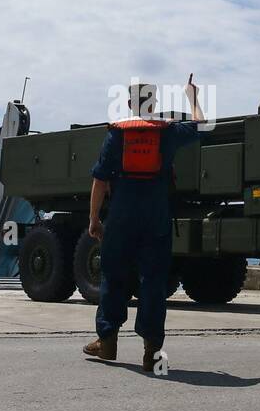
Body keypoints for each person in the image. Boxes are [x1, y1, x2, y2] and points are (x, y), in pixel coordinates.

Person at [83, 76, 205, 371]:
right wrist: (192, 97)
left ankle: (108, 341)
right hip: (155, 218)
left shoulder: (116, 134)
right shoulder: (168, 132)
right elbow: (202, 126)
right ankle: (151, 351)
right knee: (153, 281)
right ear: (156, 104)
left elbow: (100, 181)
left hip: (121, 217)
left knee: (113, 276)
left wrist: (94, 218)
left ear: (129, 104)